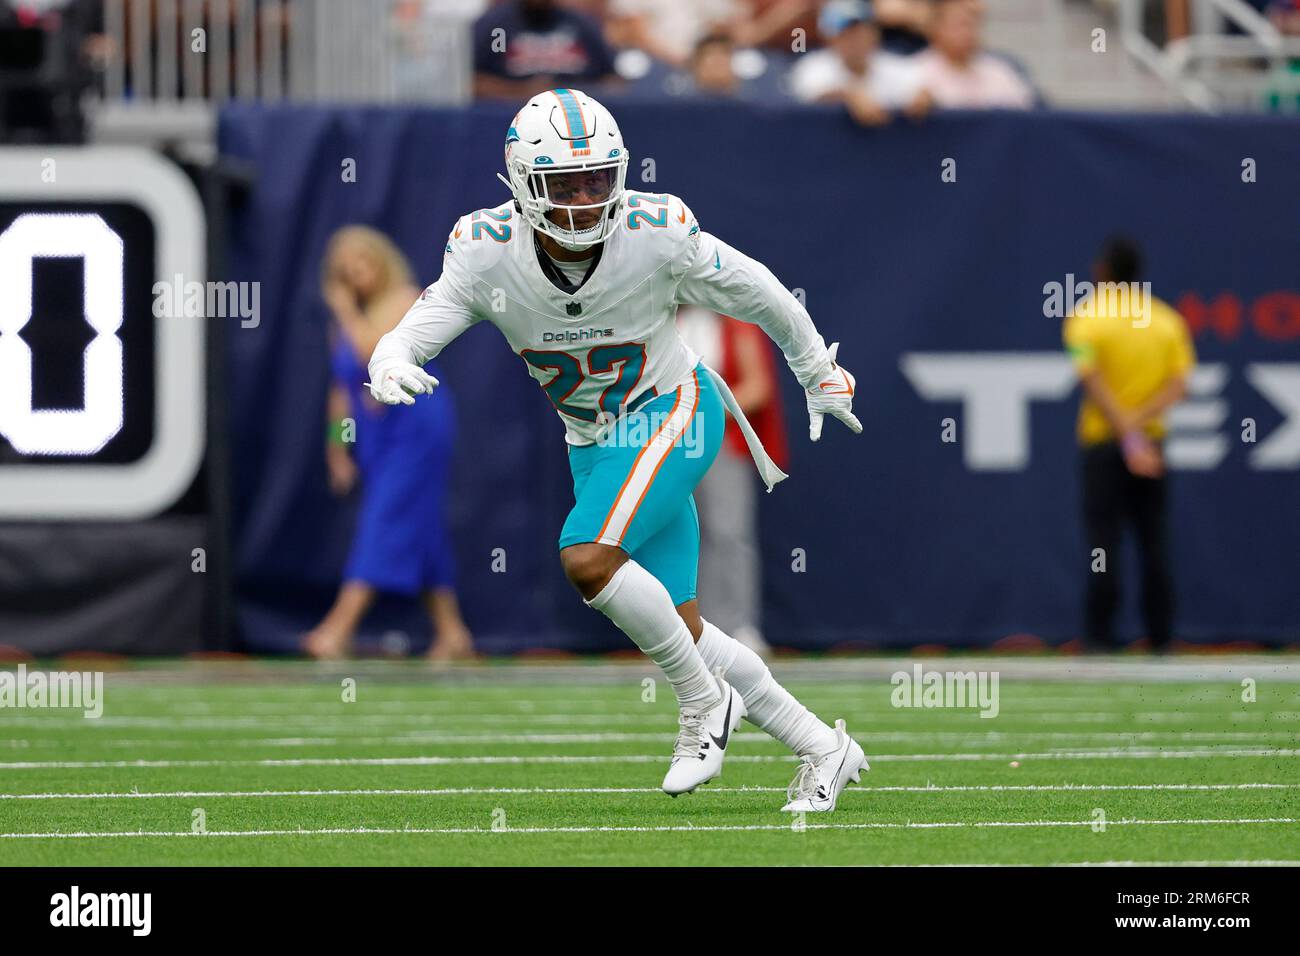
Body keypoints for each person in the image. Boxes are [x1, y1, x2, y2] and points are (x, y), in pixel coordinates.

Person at [367, 88, 867, 812]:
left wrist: (817, 368)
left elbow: (756, 288)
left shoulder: (655, 230)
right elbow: (424, 320)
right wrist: (389, 357)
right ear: (518, 183)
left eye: (597, 179)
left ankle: (703, 704)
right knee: (685, 626)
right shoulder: (485, 252)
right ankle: (824, 746)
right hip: (594, 441)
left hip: (677, 411)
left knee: (587, 557)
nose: (583, 199)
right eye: (563, 185)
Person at [305, 226, 474, 662]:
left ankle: (336, 629)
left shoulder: (405, 298)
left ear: (381, 261)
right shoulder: (348, 321)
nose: (355, 277)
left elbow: (370, 352)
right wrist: (338, 448)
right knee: (423, 526)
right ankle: (452, 634)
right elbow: (342, 388)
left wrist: (343, 310)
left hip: (415, 426)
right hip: (375, 435)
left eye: (361, 265)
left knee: (384, 519)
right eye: (344, 272)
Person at [1063, 237, 1196, 653]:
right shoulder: (1166, 320)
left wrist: (1124, 432)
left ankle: (1100, 638)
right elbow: (1179, 385)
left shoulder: (1087, 317)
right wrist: (1139, 432)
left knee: (1104, 543)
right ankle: (1161, 638)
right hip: (1150, 447)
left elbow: (1091, 378)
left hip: (1105, 446)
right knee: (1152, 541)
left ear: (1103, 270)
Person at [676, 306, 789, 658]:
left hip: (720, 442)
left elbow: (758, 387)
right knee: (682, 537)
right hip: (672, 445)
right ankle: (689, 631)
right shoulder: (660, 318)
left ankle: (740, 627)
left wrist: (704, 410)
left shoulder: (735, 324)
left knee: (729, 534)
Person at [788, 0, 930, 126]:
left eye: (862, 31)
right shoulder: (812, 67)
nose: (856, 40)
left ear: (875, 34)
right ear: (830, 38)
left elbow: (920, 90)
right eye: (847, 33)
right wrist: (848, 96)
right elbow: (811, 94)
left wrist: (923, 98)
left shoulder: (895, 65)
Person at [472, 0, 617, 101]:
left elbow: (613, 82)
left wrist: (566, 93)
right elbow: (474, 83)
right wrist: (521, 91)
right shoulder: (498, 27)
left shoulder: (581, 25)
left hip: (574, 115)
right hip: (509, 119)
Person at [911, 0, 1035, 109]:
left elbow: (1029, 118)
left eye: (972, 24)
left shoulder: (1000, 72)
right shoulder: (914, 73)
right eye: (960, 24)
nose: (968, 32)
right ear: (935, 27)